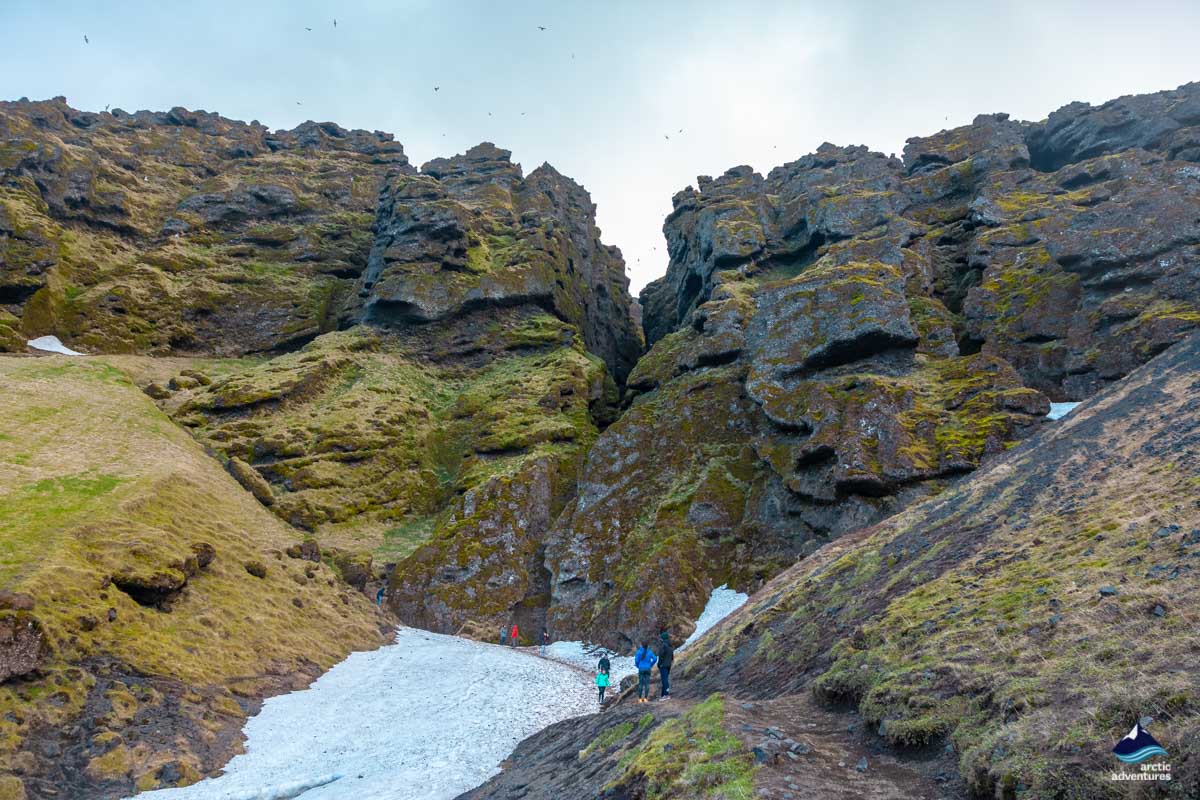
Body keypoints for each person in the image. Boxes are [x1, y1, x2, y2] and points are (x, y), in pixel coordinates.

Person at [657, 631, 674, 700]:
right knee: (666, 679)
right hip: (668, 665)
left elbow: (661, 656)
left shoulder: (663, 645)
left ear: (662, 638)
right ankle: (664, 694)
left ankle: (665, 695)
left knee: (664, 680)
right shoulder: (670, 645)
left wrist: (659, 664)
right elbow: (672, 657)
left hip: (663, 665)